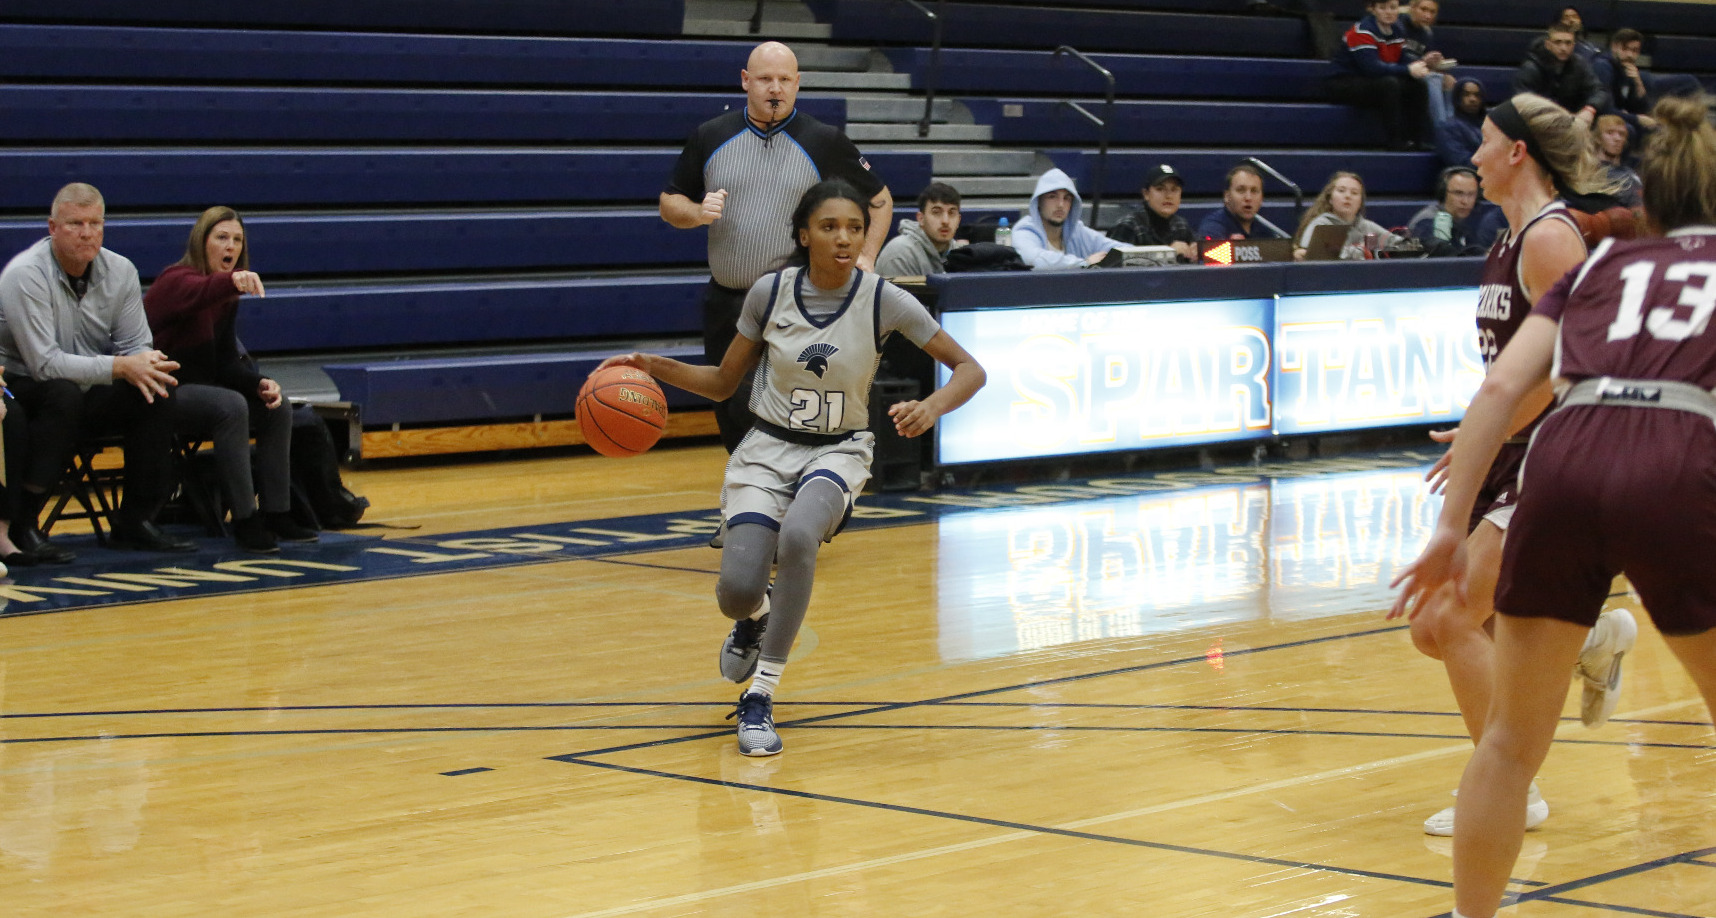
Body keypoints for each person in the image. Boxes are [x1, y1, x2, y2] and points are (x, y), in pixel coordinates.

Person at [1391, 94, 1716, 918]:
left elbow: (1505, 386)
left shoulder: (1595, 262)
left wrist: (1445, 528)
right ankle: (1598, 638)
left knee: (1506, 742)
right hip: (1674, 459)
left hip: (1566, 461)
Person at [598, 180, 986, 756]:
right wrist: (655, 367)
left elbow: (970, 370)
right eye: (830, 227)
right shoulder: (770, 292)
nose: (844, 238)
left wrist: (931, 407)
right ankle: (754, 617)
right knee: (735, 590)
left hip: (838, 450)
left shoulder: (883, 298)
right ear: (804, 235)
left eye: (854, 227)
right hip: (766, 449)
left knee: (801, 537)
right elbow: (723, 383)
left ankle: (761, 696)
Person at [1386, 93, 1635, 838]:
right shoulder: (1508, 237)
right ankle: (1589, 640)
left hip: (1558, 453)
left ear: (1518, 153)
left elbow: (1572, 366)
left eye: (1485, 142)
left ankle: (1512, 788)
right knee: (1436, 629)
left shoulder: (1549, 239)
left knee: (1447, 613)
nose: (1473, 155)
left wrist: (1484, 432)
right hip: (1517, 452)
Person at [660, 41, 892, 454]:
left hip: (792, 305)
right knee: (730, 410)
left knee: (776, 414)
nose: (776, 88)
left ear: (798, 84)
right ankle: (751, 507)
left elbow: (879, 200)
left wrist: (867, 258)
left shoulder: (824, 141)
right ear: (746, 81)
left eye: (785, 80)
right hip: (727, 301)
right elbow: (669, 203)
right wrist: (696, 212)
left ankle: (783, 502)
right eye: (766, 79)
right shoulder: (711, 135)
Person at [0, 183, 193, 557]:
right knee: (62, 395)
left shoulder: (120, 270)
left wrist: (145, 364)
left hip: (85, 382)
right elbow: (44, 364)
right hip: (20, 383)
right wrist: (121, 365)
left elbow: (138, 345)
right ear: (52, 228)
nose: (86, 233)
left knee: (155, 390)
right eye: (74, 224)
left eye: (94, 223)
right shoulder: (25, 274)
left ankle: (136, 519)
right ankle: (23, 522)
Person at [144, 207, 319, 553]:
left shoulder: (224, 296)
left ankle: (277, 513)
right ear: (201, 241)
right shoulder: (175, 280)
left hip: (203, 390)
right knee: (231, 405)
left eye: (237, 239)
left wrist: (260, 383)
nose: (231, 245)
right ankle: (245, 520)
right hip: (161, 394)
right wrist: (232, 282)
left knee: (275, 406)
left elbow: (225, 362)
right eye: (222, 237)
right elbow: (200, 290)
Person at [1327, 0, 1432, 152]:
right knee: (1390, 84)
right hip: (1343, 81)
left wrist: (1422, 64)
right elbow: (1371, 68)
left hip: (1370, 80)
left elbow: (1403, 60)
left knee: (1418, 85)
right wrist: (1409, 69)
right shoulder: (1362, 31)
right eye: (1383, 8)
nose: (1389, 12)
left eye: (1393, 8)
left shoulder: (1397, 29)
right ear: (1372, 9)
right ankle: (1394, 141)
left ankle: (1416, 139)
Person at [1011, 169, 1119, 270]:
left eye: (1067, 198)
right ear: (1039, 201)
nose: (1060, 205)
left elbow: (1118, 249)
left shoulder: (1077, 231)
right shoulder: (1024, 229)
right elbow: (1032, 259)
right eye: (1052, 197)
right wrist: (1085, 263)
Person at [1513, 22, 1606, 129]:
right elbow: (1523, 102)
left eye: (1568, 43)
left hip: (1573, 121)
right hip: (1539, 122)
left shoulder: (1579, 64)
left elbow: (1599, 91)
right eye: (1558, 42)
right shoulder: (1531, 67)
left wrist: (1589, 110)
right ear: (1548, 44)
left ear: (1574, 45)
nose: (1563, 47)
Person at [1292, 171, 1400, 260]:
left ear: (1360, 202)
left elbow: (1400, 244)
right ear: (1330, 199)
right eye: (1341, 191)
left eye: (1354, 193)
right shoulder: (1321, 225)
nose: (1348, 196)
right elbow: (1310, 254)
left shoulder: (1367, 227)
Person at [1105, 164, 1198, 262]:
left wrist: (1198, 252)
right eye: (1160, 189)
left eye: (1174, 190)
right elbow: (1113, 266)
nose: (1168, 195)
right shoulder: (1128, 226)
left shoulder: (1181, 225)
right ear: (1146, 194)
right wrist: (1168, 253)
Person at [875, 182, 965, 277]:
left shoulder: (960, 253)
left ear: (959, 220)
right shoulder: (900, 254)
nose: (945, 221)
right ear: (921, 218)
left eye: (951, 213)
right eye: (936, 212)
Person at [1407, 166, 1487, 256]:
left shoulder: (1470, 220)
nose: (1465, 201)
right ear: (1443, 194)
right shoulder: (1426, 222)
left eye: (1471, 194)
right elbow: (1448, 259)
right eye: (1458, 193)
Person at [1196, 164, 1289, 241]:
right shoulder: (1213, 226)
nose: (1248, 198)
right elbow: (1209, 254)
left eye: (1254, 191)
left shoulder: (1263, 232)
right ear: (1227, 196)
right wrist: (1233, 249)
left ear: (1261, 198)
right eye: (1241, 190)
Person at [1401, 0, 1456, 123]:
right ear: (1412, 8)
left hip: (1418, 72)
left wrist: (1436, 62)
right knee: (1433, 79)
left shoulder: (1426, 33)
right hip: (1400, 72)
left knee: (1449, 80)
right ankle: (1441, 128)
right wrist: (1423, 61)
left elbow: (1426, 60)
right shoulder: (1398, 25)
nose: (1428, 16)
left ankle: (1451, 125)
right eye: (1424, 9)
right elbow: (1395, 57)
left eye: (1432, 12)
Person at [1434, 79, 1487, 169]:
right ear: (1457, 98)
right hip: (1467, 176)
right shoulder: (1447, 128)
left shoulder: (1492, 126)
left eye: (1477, 95)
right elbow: (1460, 161)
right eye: (1466, 95)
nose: (1472, 99)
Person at [1592, 114, 1642, 207]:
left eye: (1621, 134)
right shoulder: (1586, 171)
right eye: (1610, 133)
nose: (1617, 138)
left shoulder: (1631, 174)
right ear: (1598, 138)